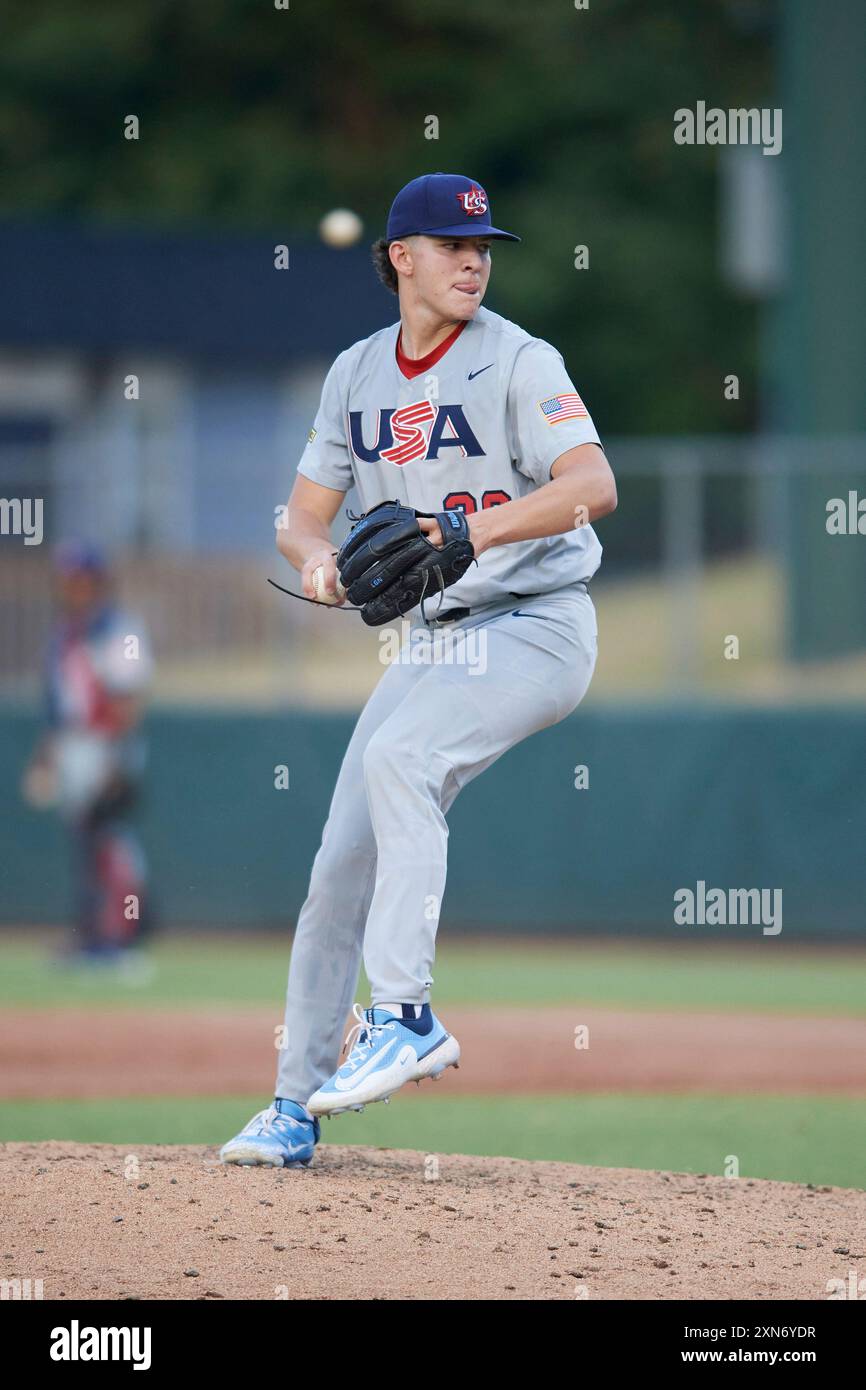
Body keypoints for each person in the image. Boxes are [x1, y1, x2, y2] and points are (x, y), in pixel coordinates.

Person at [220, 172, 617, 1167]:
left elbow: (593, 486)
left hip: (536, 620)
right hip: (435, 637)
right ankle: (293, 1104)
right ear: (400, 257)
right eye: (450, 244)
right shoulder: (356, 373)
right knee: (335, 867)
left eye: (482, 245)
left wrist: (465, 529)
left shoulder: (519, 360)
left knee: (401, 758)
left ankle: (402, 1013)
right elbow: (301, 517)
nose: (474, 260)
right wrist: (315, 567)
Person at [22, 542, 154, 965]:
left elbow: (128, 698)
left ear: (98, 583)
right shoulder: (65, 633)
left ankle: (121, 937)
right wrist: (45, 757)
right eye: (68, 580)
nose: (73, 588)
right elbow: (58, 706)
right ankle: (91, 935)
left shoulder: (119, 629)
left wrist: (118, 759)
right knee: (84, 842)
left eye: (81, 579)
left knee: (108, 840)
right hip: (72, 748)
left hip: (105, 745)